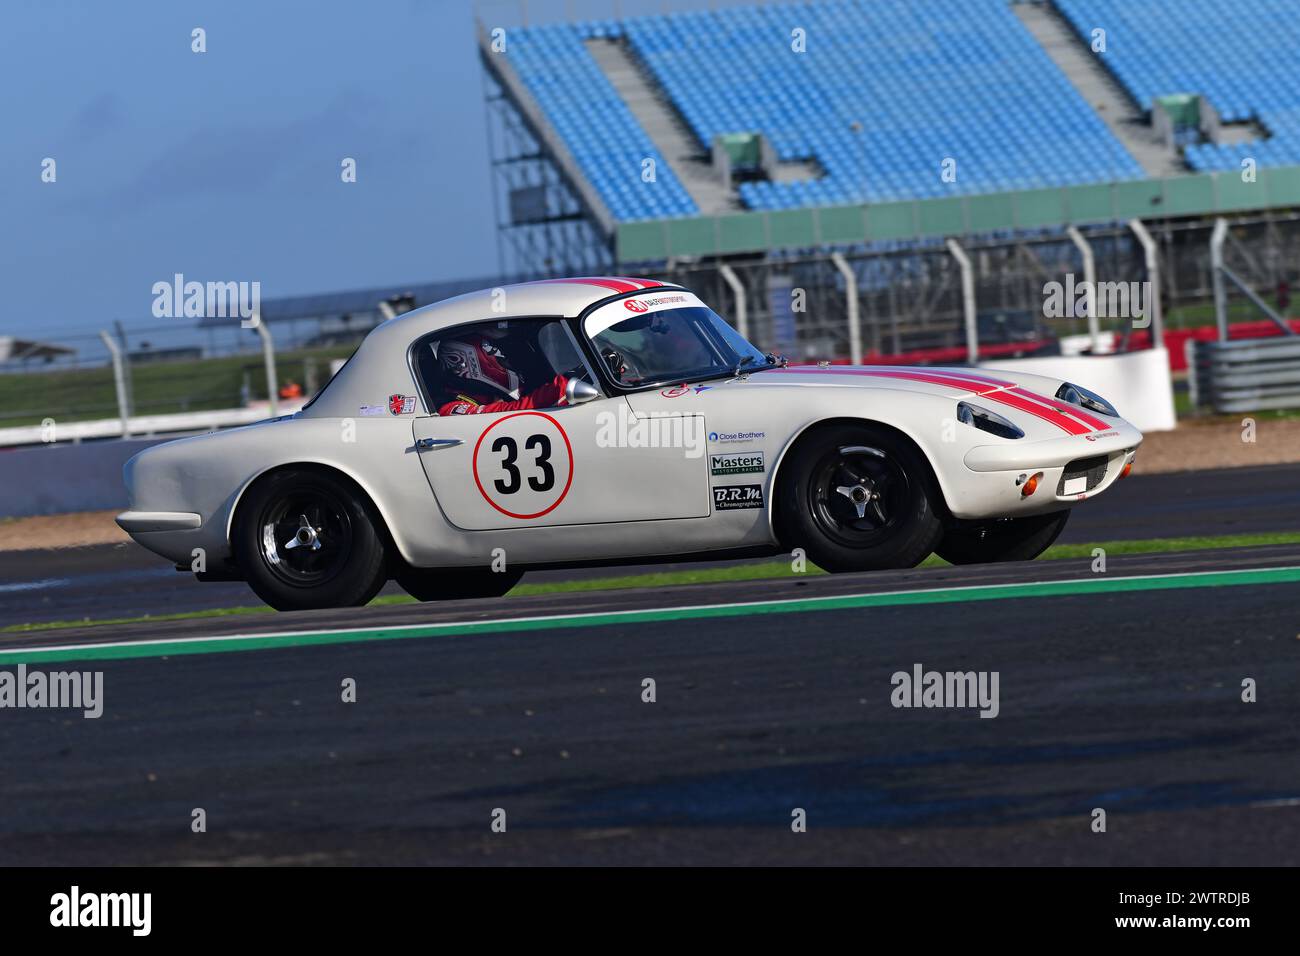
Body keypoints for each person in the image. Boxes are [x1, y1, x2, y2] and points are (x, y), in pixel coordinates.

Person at [435, 327, 568, 416]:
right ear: (465, 362)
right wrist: (561, 388)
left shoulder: (493, 396)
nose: (515, 364)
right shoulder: (450, 409)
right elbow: (506, 414)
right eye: (507, 358)